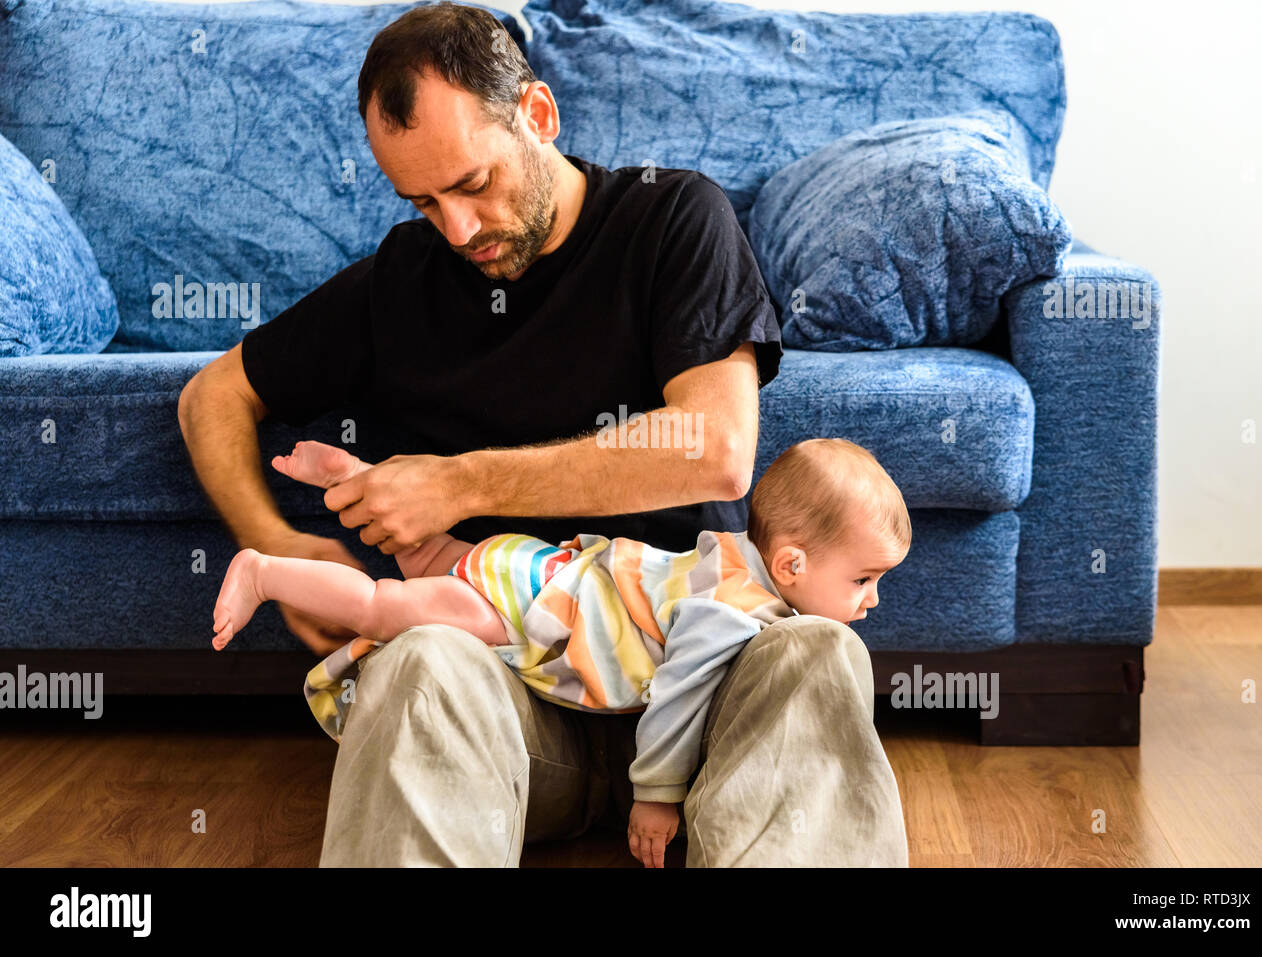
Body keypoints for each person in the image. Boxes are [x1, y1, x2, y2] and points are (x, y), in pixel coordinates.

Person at [177, 2, 910, 866]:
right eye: (423, 200)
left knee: (818, 653)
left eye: (474, 183)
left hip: (705, 693)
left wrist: (460, 484)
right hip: (511, 710)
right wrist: (274, 544)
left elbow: (717, 448)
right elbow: (211, 396)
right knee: (415, 668)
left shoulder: (671, 220)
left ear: (539, 115)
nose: (457, 229)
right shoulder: (400, 283)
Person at [210, 438, 910, 867]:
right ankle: (267, 573)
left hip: (539, 576)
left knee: (821, 651)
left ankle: (355, 479)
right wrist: (658, 796)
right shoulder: (731, 608)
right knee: (392, 619)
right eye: (864, 579)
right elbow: (678, 696)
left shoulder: (733, 565)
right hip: (538, 621)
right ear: (788, 563)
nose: (874, 600)